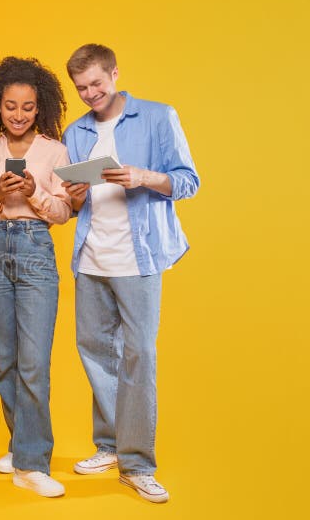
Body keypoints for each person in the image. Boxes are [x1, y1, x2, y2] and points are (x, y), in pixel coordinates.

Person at [61, 44, 200, 503]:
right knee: (96, 352)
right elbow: (75, 204)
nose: (90, 94)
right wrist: (73, 195)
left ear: (115, 73)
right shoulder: (76, 131)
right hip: (91, 258)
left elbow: (188, 181)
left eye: (97, 83)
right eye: (81, 88)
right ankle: (110, 445)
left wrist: (144, 177)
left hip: (139, 258)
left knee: (138, 355)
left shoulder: (157, 117)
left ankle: (137, 463)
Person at [0, 57, 71, 497]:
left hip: (34, 247)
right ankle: (20, 443)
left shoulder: (55, 151)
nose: (18, 114)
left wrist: (36, 195)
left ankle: (31, 464)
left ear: (39, 107)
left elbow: (64, 211)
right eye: (11, 106)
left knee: (33, 362)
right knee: (4, 361)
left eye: (28, 107)